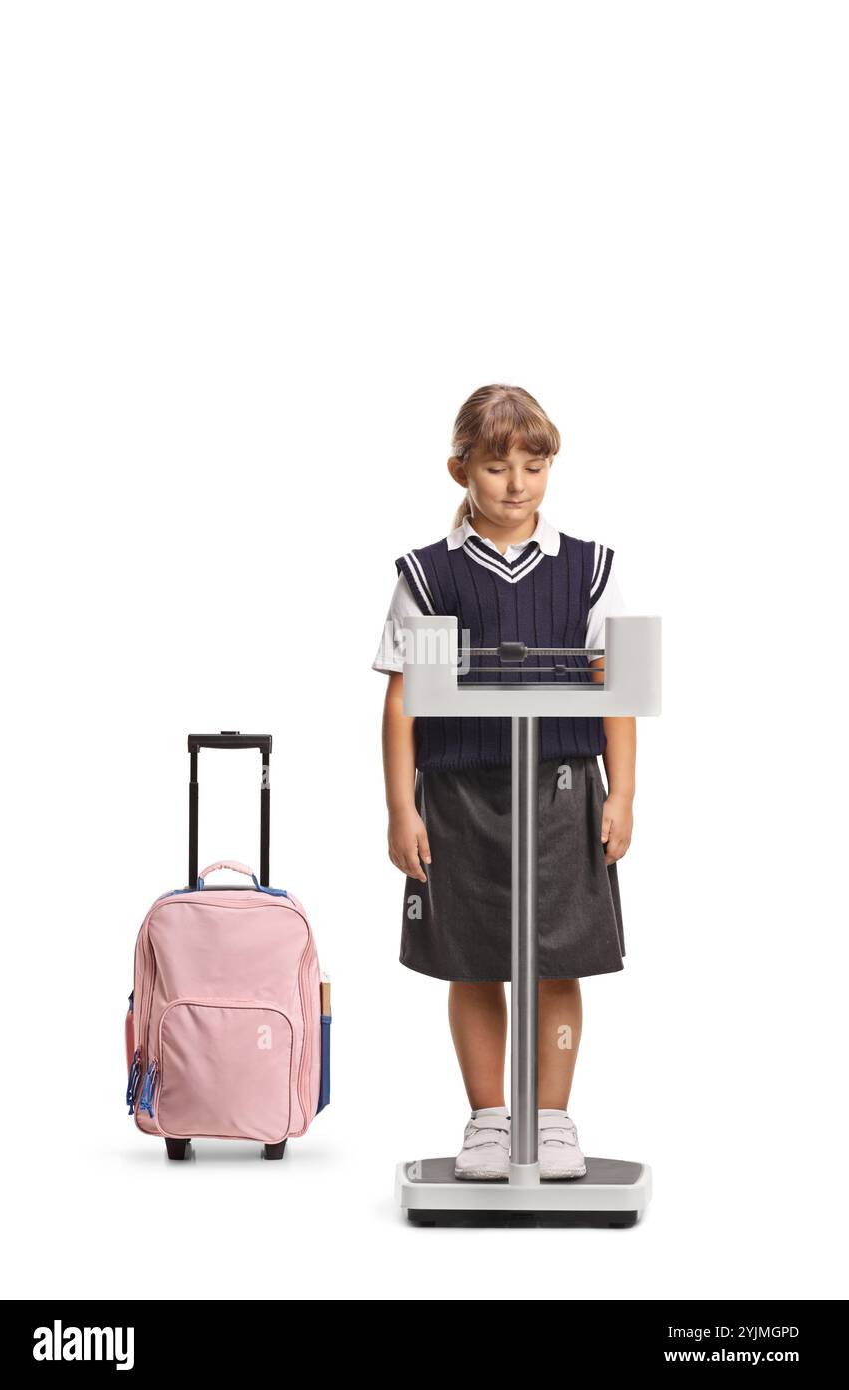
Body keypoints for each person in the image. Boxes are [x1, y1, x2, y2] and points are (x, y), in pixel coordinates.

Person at [372, 383, 635, 1180]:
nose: (516, 484)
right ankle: (489, 1119)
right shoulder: (429, 574)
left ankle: (551, 1119)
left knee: (557, 958)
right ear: (460, 471)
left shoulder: (587, 569)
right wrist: (397, 810)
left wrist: (621, 792)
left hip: (561, 788)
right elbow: (401, 700)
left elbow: (615, 683)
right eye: (495, 467)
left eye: (533, 465)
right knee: (474, 957)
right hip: (460, 794)